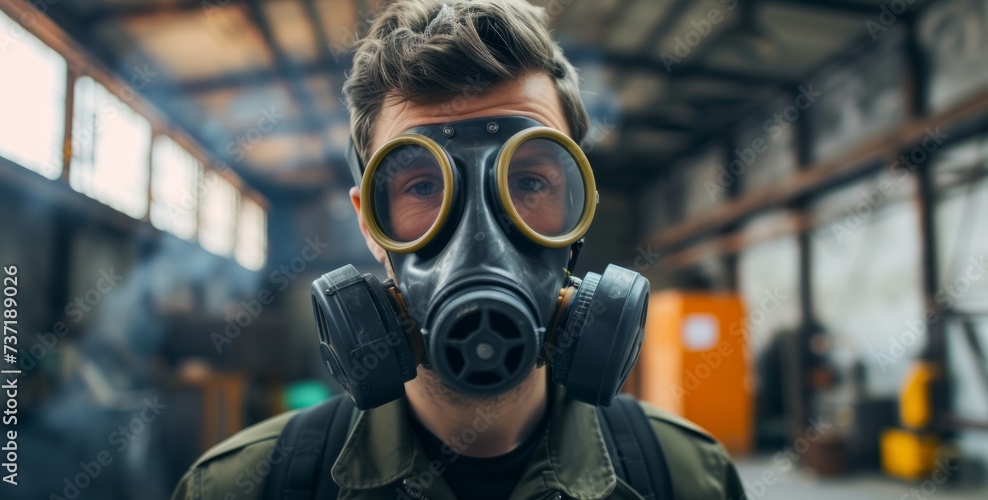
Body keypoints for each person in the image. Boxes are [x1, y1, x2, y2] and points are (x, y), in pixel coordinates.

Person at [172, 1, 746, 498]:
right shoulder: (247, 487)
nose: (481, 238)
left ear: (578, 211)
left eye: (529, 181)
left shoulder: (688, 481)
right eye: (423, 185)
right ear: (371, 224)